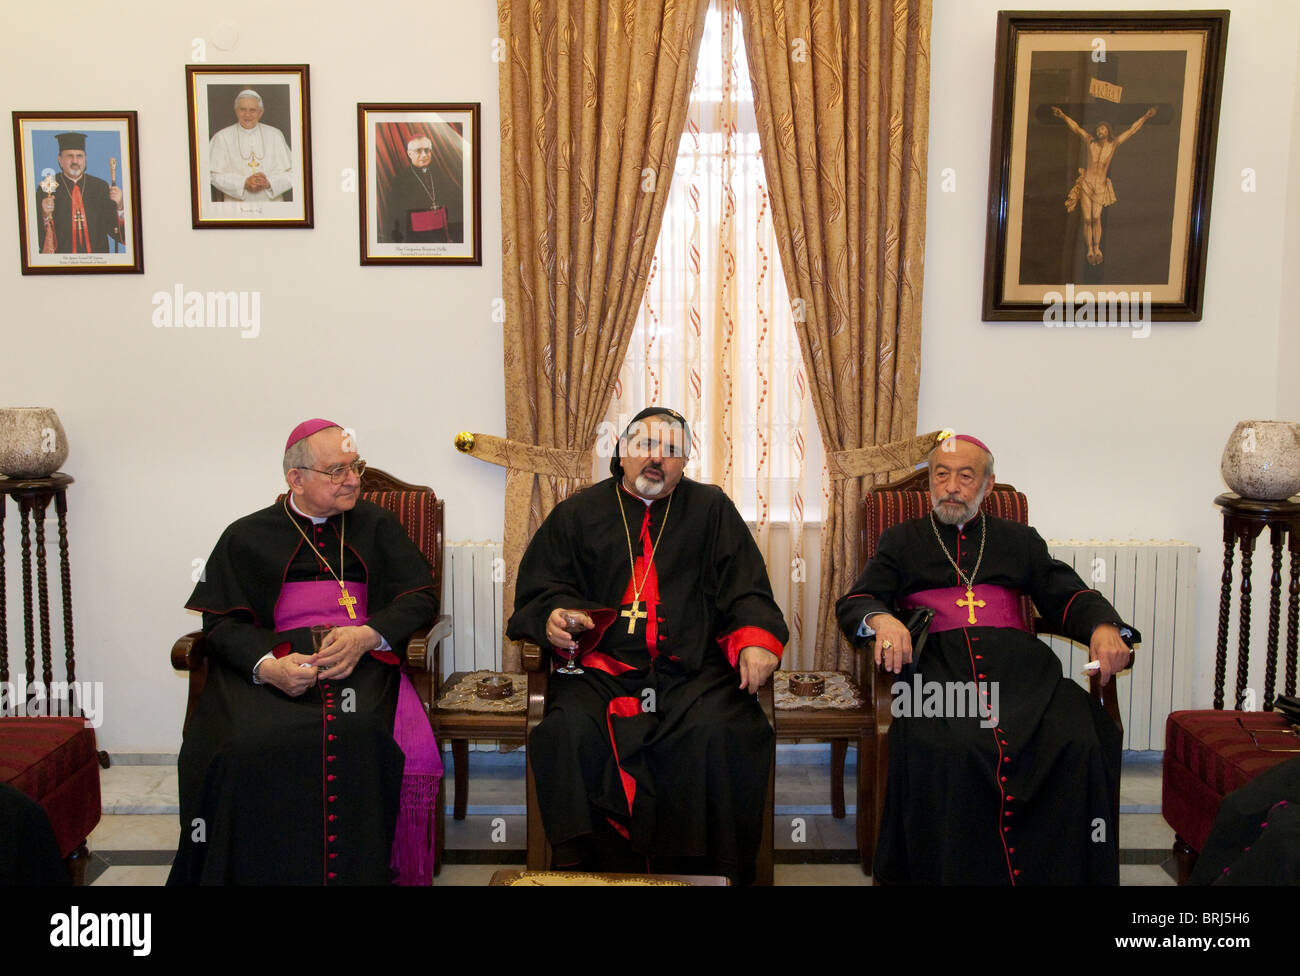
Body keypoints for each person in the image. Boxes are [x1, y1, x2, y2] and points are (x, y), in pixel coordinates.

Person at [836, 433, 1138, 885]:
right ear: (931, 484)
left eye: (965, 475)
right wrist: (881, 620)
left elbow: (1067, 593)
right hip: (939, 674)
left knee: (1079, 736)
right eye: (942, 475)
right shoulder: (902, 540)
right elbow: (859, 598)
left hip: (1023, 673)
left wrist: (1103, 627)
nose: (951, 486)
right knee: (946, 749)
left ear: (988, 485)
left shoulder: (1020, 540)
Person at [507, 407, 787, 882]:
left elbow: (748, 590)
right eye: (645, 445)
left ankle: (712, 872)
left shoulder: (711, 509)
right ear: (621, 451)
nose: (656, 459)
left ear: (686, 461)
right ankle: (582, 872)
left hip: (693, 673)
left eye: (672, 450)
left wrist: (756, 642)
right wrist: (551, 617)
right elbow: (542, 589)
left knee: (723, 730)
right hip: (601, 672)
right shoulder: (578, 512)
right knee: (565, 732)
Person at [169, 420, 441, 885]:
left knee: (357, 733)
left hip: (358, 658)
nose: (354, 480)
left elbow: (419, 598)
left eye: (355, 467)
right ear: (296, 478)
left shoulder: (377, 525)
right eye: (336, 471)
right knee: (241, 747)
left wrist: (368, 634)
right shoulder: (247, 534)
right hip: (272, 662)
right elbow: (220, 625)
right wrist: (267, 667)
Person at [1052, 105, 1157, 266]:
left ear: (1108, 131)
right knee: (1087, 218)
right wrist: (1063, 116)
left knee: (1096, 217)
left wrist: (1146, 116)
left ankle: (1097, 247)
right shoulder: (1090, 141)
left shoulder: (1113, 144)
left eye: (1104, 129)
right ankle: (1089, 249)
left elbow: (1131, 130)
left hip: (1100, 185)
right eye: (1099, 128)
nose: (1101, 131)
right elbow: (1076, 128)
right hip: (1087, 183)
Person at [36, 132, 123, 253]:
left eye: (79, 156)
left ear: (85, 159)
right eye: (69, 156)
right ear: (60, 160)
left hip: (97, 261)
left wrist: (120, 206)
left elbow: (116, 232)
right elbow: (36, 235)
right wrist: (45, 215)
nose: (75, 161)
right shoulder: (47, 187)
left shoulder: (100, 187)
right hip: (62, 260)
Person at [208, 90, 295, 204]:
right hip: (235, 208)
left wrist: (269, 182)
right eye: (242, 109)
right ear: (236, 111)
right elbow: (212, 175)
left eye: (252, 110)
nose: (247, 115)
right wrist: (243, 182)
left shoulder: (275, 135)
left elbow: (295, 173)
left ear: (260, 112)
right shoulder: (222, 137)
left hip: (272, 206)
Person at [379, 134, 463, 243]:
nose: (424, 155)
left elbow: (452, 206)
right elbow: (396, 216)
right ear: (410, 154)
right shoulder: (400, 180)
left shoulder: (440, 174)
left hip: (441, 235)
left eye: (427, 150)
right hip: (415, 238)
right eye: (419, 151)